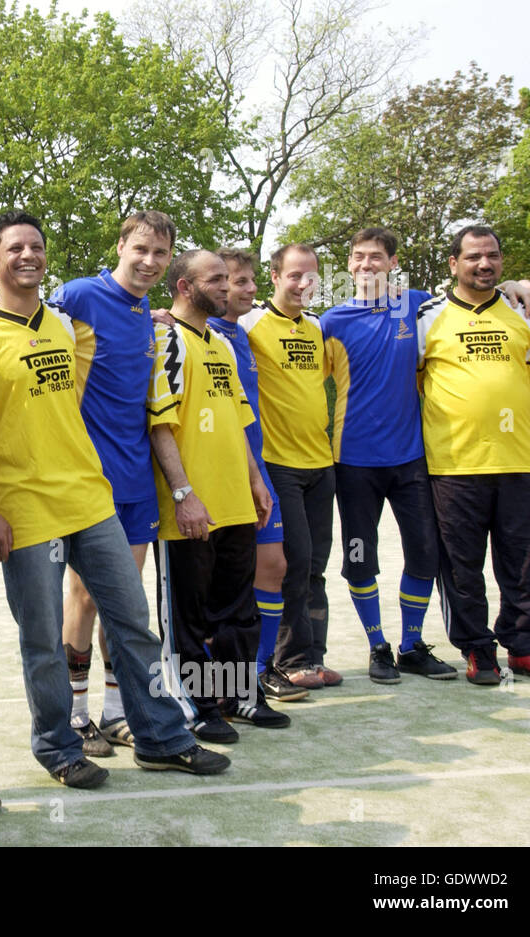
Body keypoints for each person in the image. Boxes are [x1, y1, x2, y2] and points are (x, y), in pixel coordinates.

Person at [0, 210, 230, 788]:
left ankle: (160, 737)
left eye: (37, 245)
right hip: (24, 506)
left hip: (91, 496)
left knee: (133, 621)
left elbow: (130, 346)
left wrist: (163, 318)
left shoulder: (64, 321)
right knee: (43, 638)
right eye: (14, 248)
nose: (28, 255)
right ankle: (58, 745)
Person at [49, 211, 174, 755]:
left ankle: (117, 711)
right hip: (85, 480)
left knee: (130, 606)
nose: (149, 262)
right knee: (83, 597)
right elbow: (23, 324)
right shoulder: (78, 295)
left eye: (160, 254)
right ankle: (74, 715)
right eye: (140, 249)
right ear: (120, 244)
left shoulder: (148, 313)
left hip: (138, 479)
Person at [418, 225, 530, 684]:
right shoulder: (427, 315)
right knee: (462, 567)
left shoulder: (524, 310)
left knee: (524, 562)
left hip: (519, 461)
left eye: (493, 256)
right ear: (453, 263)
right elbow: (412, 383)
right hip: (454, 465)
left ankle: (525, 646)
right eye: (474, 256)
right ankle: (478, 650)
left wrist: (514, 436)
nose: (484, 264)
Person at [147, 250, 277, 741]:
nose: (227, 286)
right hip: (190, 508)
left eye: (228, 278)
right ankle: (195, 705)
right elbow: (161, 426)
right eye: (216, 279)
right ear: (184, 287)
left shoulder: (221, 343)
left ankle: (238, 694)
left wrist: (256, 481)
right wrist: (184, 495)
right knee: (188, 615)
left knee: (237, 609)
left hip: (235, 502)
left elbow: (239, 421)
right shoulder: (166, 340)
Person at [320, 228, 455, 683]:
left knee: (424, 555)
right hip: (353, 462)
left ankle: (412, 645)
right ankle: (378, 646)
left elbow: (473, 295)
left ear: (393, 262)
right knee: (360, 559)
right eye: (357, 257)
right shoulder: (330, 321)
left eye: (375, 257)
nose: (365, 265)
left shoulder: (416, 305)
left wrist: (518, 287)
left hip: (411, 461)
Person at [241, 244, 340, 689]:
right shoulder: (250, 323)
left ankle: (312, 656)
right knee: (293, 562)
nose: (304, 284)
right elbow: (198, 317)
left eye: (312, 277)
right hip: (277, 464)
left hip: (321, 462)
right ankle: (284, 660)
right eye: (295, 275)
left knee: (316, 565)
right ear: (275, 276)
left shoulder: (318, 327)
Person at [208, 248, 301, 704]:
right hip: (220, 474)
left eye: (248, 281)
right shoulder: (196, 334)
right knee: (216, 585)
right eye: (238, 283)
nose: (248, 290)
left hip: (257, 468)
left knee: (274, 566)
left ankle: (262, 670)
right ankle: (210, 684)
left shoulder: (244, 333)